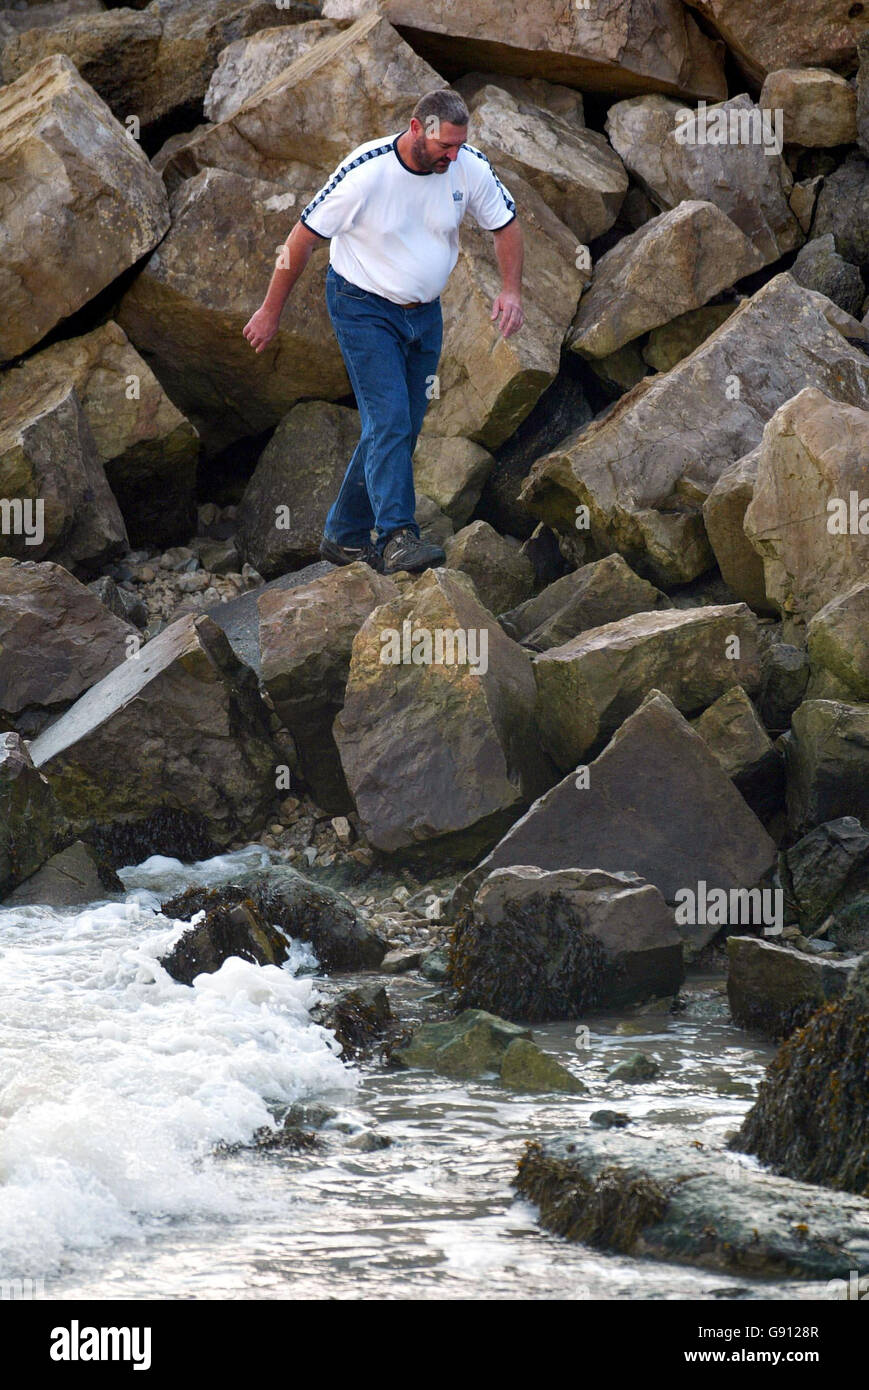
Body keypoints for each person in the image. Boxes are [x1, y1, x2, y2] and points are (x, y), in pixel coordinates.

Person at [242, 88, 524, 574]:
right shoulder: (365, 172)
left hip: (424, 313)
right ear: (417, 128)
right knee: (390, 419)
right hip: (362, 307)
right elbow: (300, 240)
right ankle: (397, 536)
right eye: (444, 146)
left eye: (459, 145)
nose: (453, 155)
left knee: (401, 425)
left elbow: (506, 225)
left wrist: (511, 290)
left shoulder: (468, 166)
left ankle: (344, 535)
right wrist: (270, 310)